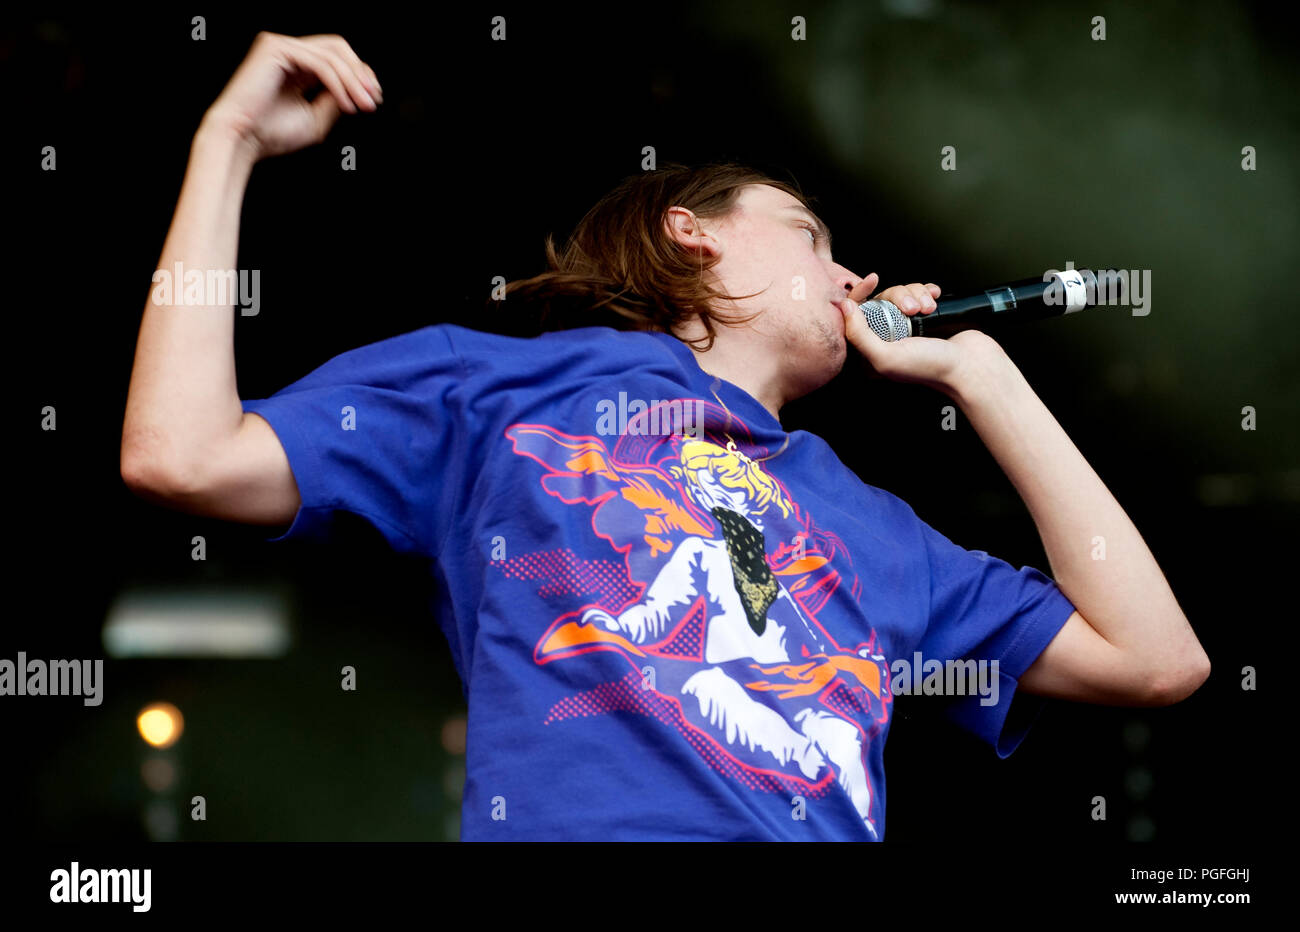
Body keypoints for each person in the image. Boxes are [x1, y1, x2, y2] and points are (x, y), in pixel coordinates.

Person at [121, 32, 1211, 841]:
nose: (852, 274)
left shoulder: (869, 523)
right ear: (689, 238)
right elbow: (180, 455)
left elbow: (1157, 660)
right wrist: (226, 145)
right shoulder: (502, 387)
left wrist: (987, 380)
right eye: (811, 235)